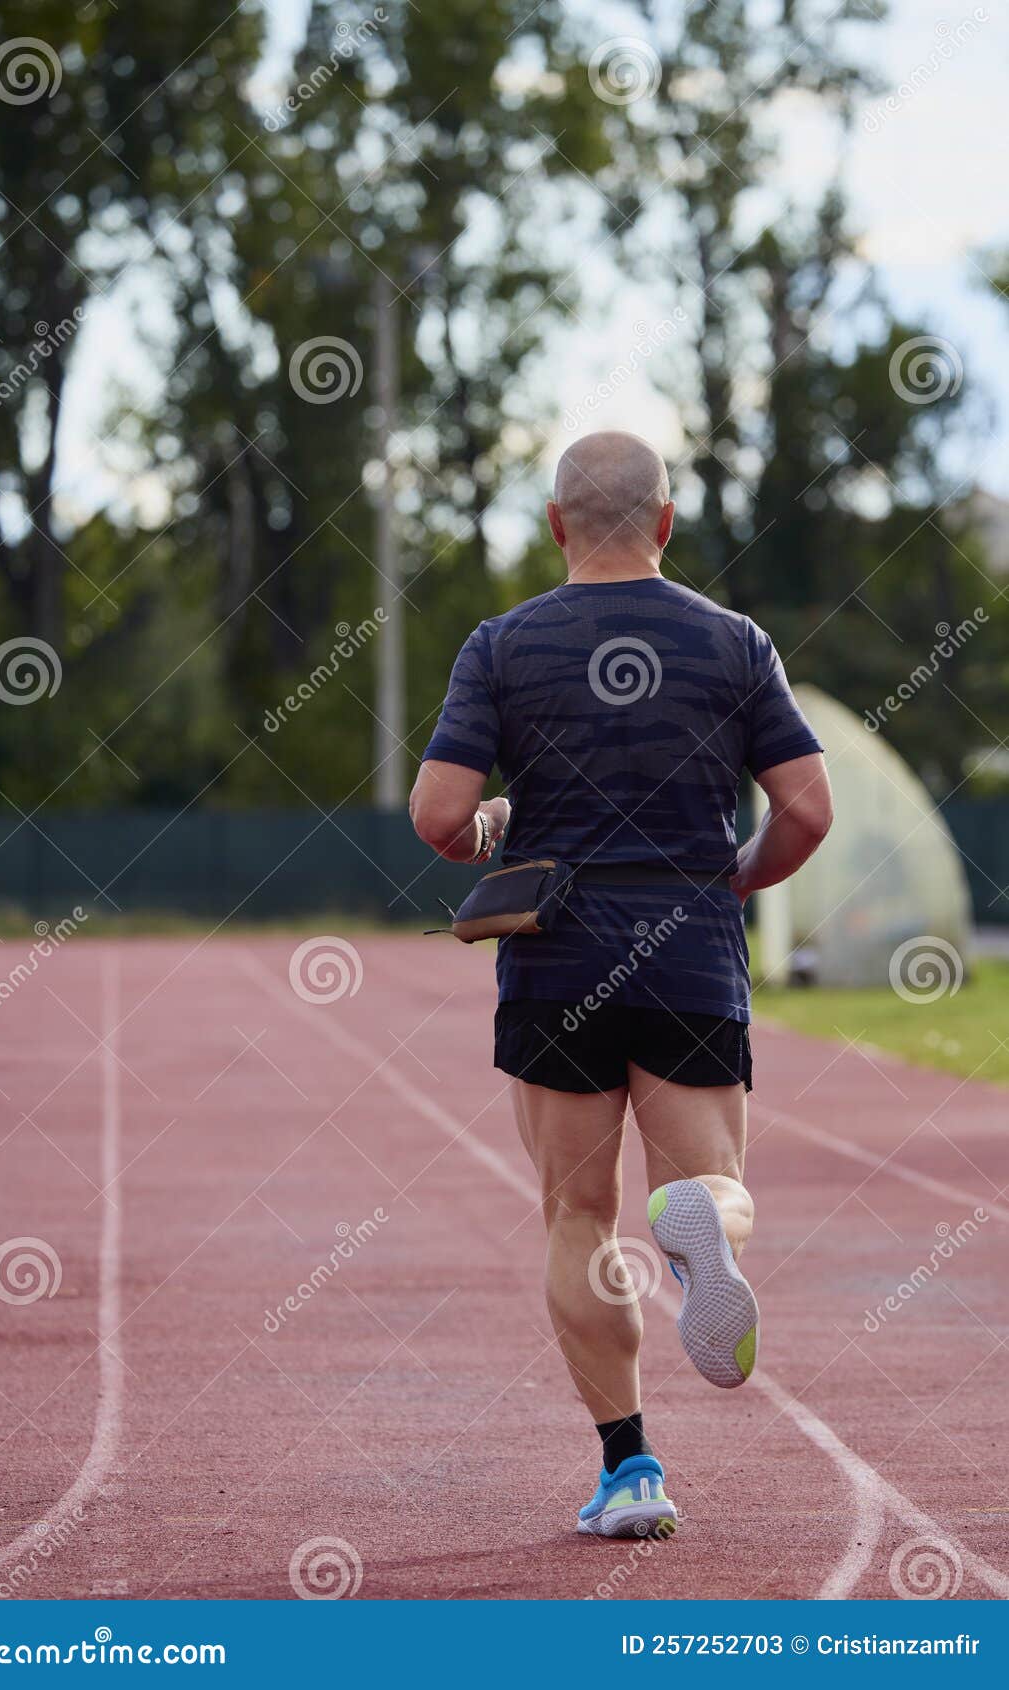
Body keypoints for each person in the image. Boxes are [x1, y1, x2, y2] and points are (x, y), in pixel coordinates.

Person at [409, 431, 832, 1540]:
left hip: (558, 960)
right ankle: (703, 1222)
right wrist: (730, 879)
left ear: (554, 524)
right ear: (664, 520)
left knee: (576, 1214)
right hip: (687, 945)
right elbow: (806, 809)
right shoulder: (734, 643)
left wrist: (499, 822)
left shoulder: (499, 646)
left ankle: (629, 1468)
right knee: (713, 1182)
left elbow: (439, 818)